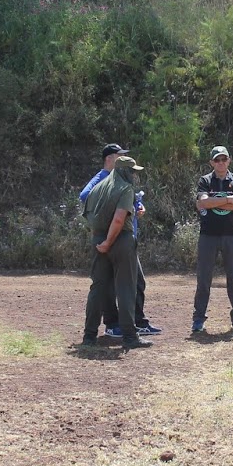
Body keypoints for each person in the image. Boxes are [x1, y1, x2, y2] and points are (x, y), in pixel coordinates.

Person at [79, 143, 159, 337]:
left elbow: (87, 212)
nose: (134, 175)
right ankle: (128, 334)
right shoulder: (120, 186)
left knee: (99, 286)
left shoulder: (102, 187)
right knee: (125, 287)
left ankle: (89, 335)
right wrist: (108, 240)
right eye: (132, 171)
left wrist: (101, 235)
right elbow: (117, 218)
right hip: (118, 239)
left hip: (99, 239)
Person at [193, 144, 233, 334]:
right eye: (217, 160)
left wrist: (215, 201)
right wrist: (227, 199)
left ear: (229, 160)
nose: (221, 162)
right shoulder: (205, 181)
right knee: (203, 279)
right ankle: (198, 320)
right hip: (208, 235)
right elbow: (203, 202)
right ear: (212, 162)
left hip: (232, 235)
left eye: (224, 159)